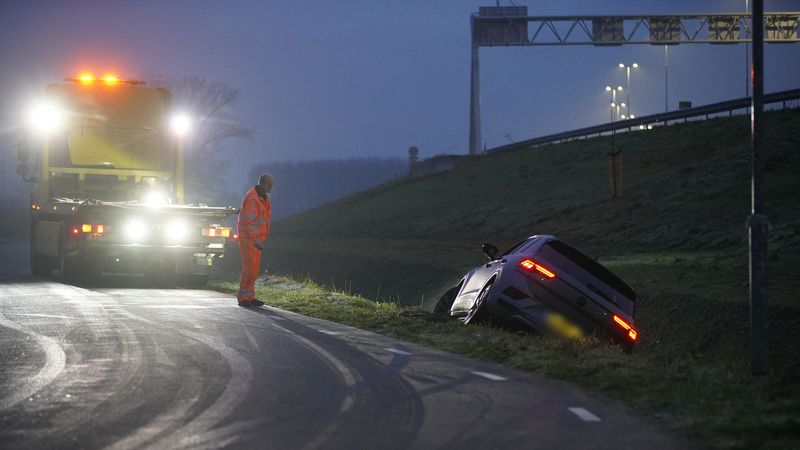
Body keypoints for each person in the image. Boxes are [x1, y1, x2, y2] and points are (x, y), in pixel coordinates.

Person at [236, 173, 273, 306]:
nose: (271, 188)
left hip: (256, 239)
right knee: (250, 268)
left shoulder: (263, 198)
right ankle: (243, 298)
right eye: (269, 185)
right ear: (262, 183)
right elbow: (248, 222)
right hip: (249, 238)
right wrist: (255, 238)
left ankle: (249, 296)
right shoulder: (253, 198)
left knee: (254, 269)